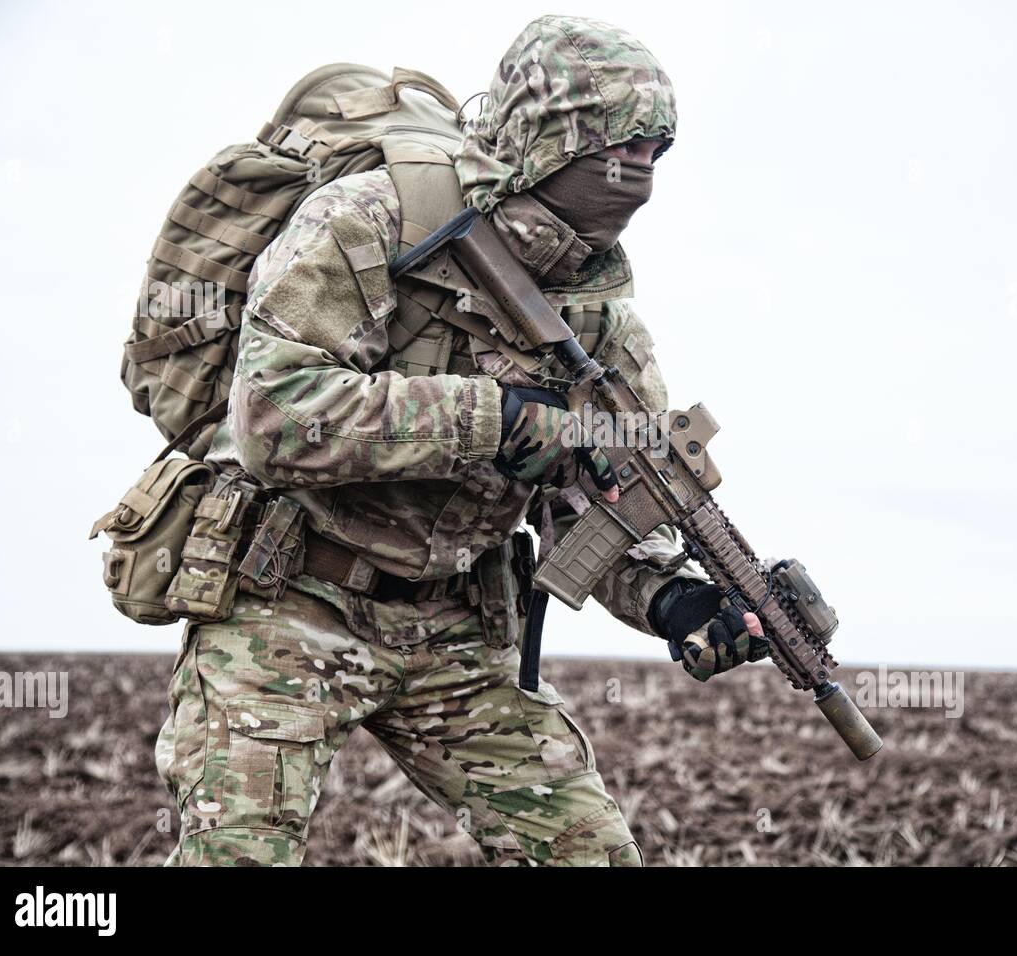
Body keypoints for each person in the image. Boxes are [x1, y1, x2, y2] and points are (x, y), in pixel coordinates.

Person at [155, 14, 768, 867]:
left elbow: (596, 508)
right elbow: (275, 418)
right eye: (618, 152)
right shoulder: (371, 218)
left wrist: (672, 599)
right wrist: (494, 421)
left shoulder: (601, 316)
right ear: (550, 138)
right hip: (290, 597)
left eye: (656, 157)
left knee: (590, 857)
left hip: (455, 623)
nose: (637, 180)